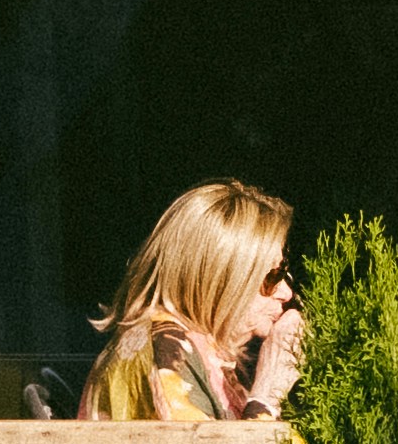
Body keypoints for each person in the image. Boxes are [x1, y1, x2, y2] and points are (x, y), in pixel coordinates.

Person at [78, 180, 302, 421]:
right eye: (273, 276)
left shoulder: (201, 351)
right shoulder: (168, 351)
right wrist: (268, 393)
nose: (286, 293)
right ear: (222, 277)